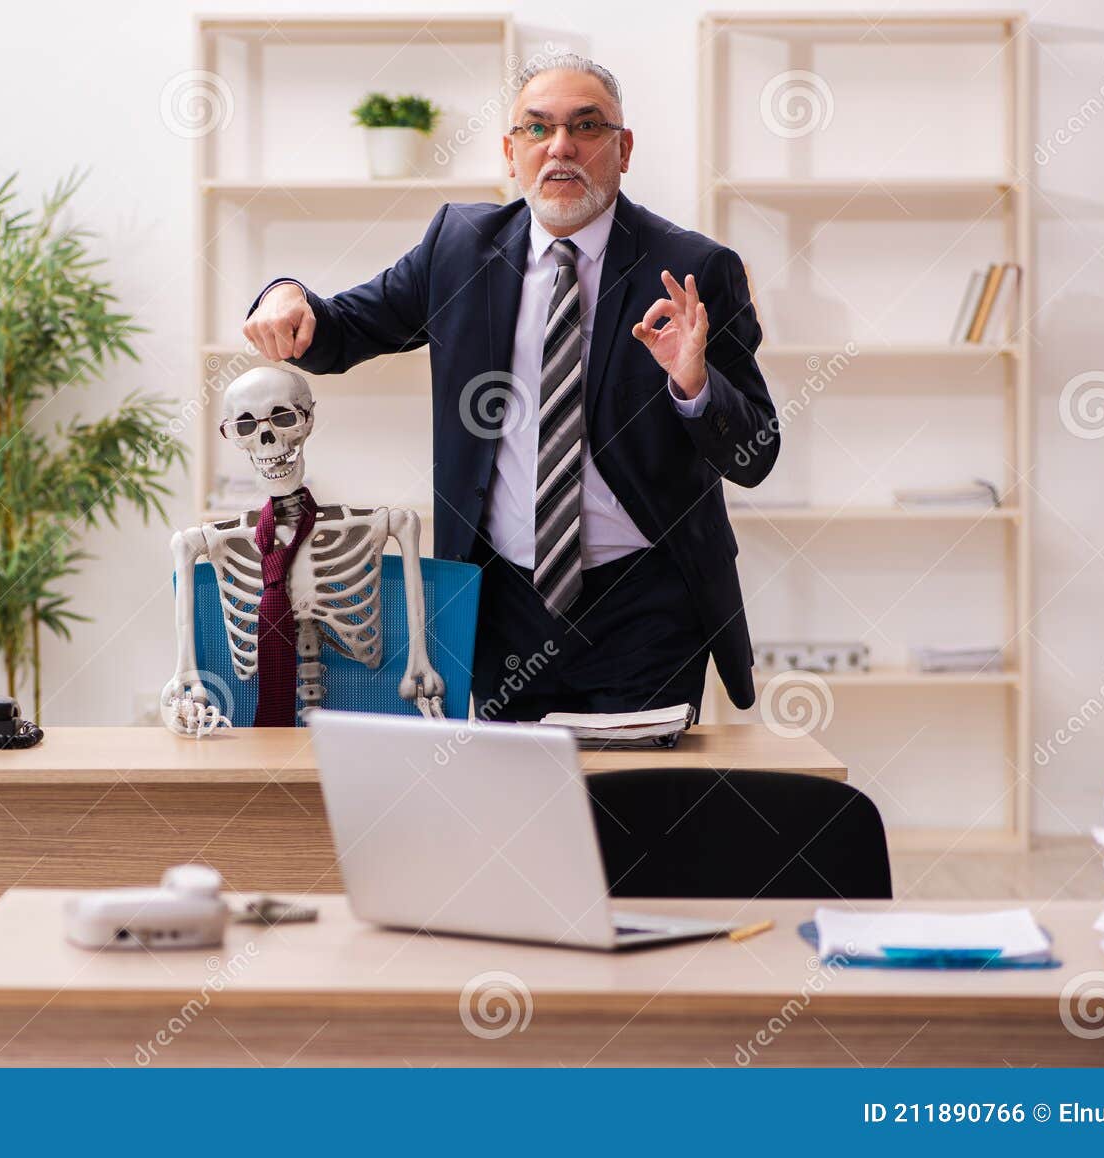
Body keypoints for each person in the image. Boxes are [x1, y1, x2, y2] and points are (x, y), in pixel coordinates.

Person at [242, 53, 778, 721]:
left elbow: (756, 453)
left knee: (638, 814)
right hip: (502, 607)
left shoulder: (695, 268)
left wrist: (695, 383)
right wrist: (285, 293)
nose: (561, 146)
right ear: (509, 150)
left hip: (646, 608)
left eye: (587, 126)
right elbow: (344, 328)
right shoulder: (457, 249)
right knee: (518, 813)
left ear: (624, 147)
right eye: (537, 128)